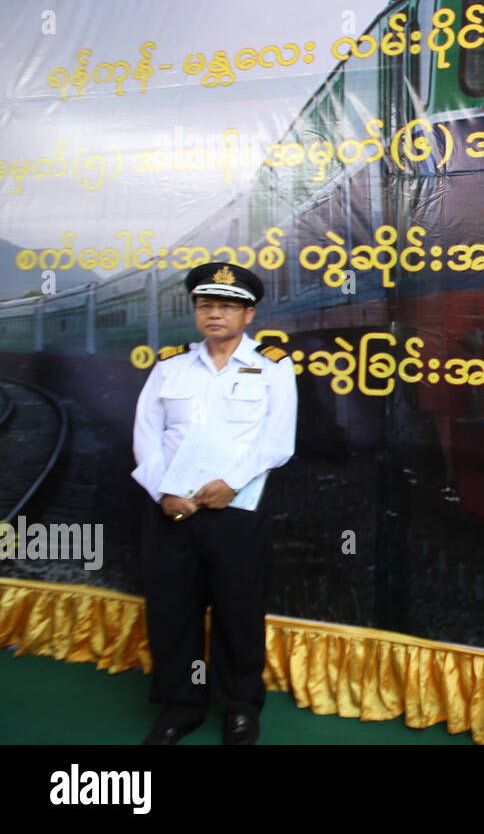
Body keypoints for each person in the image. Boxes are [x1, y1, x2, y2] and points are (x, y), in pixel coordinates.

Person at [132, 262, 297, 745]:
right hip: (172, 510)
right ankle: (179, 707)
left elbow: (276, 442)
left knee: (238, 612)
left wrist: (232, 484)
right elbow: (146, 434)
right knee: (172, 612)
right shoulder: (170, 365)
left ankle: (239, 709)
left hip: (236, 511)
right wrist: (163, 492)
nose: (214, 314)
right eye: (206, 305)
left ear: (249, 314)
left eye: (226, 306)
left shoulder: (273, 367)